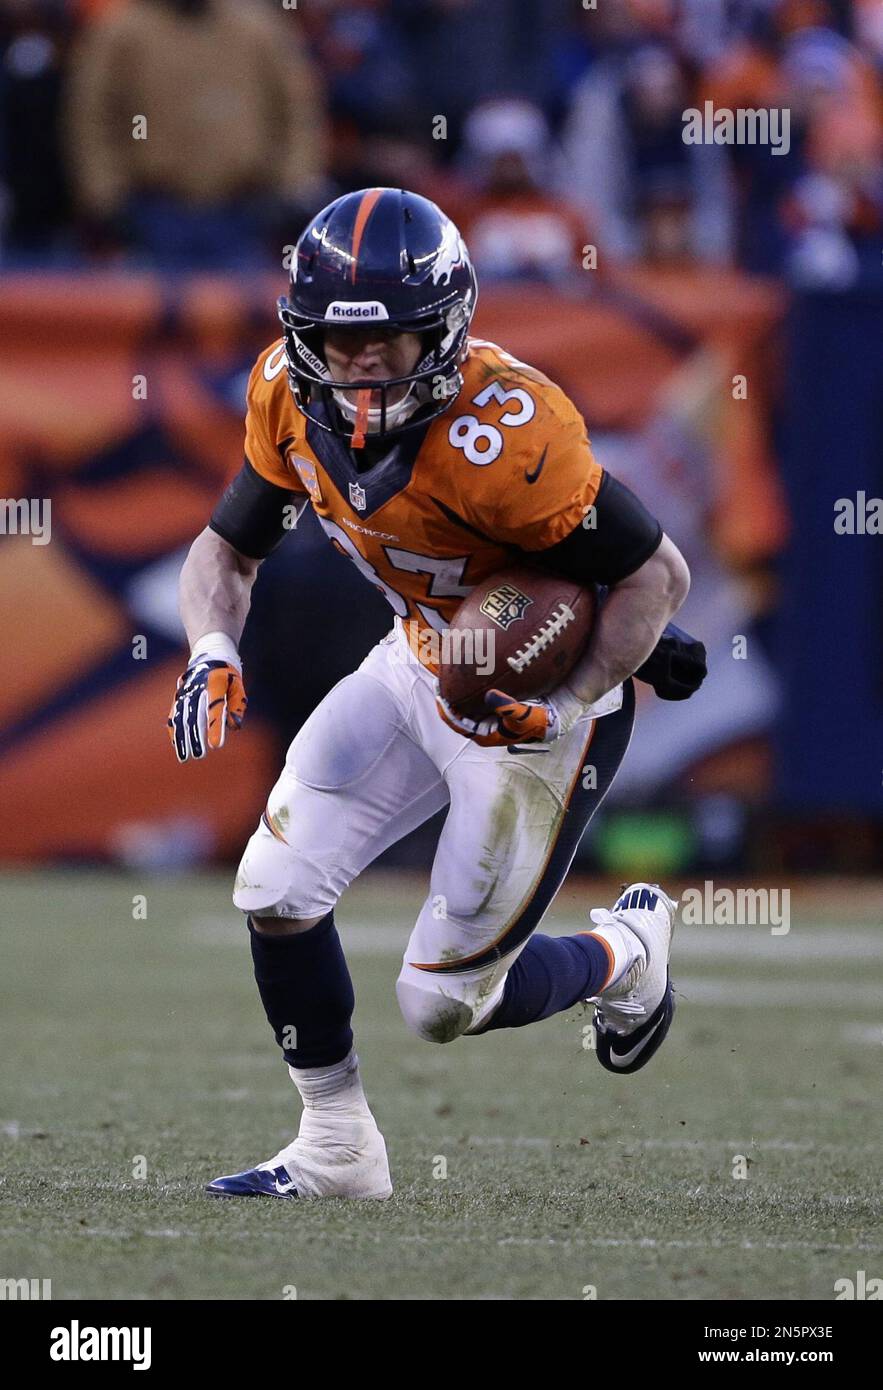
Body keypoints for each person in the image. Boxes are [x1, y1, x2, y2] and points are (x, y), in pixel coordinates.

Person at [169, 188, 706, 1200]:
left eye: (389, 343)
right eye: (336, 340)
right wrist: (209, 647)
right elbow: (226, 551)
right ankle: (337, 1146)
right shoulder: (287, 390)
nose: (357, 368)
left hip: (534, 715)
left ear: (445, 333)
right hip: (425, 654)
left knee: (441, 1002)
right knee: (274, 890)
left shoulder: (508, 433)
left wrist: (581, 685)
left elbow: (654, 575)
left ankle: (627, 951)